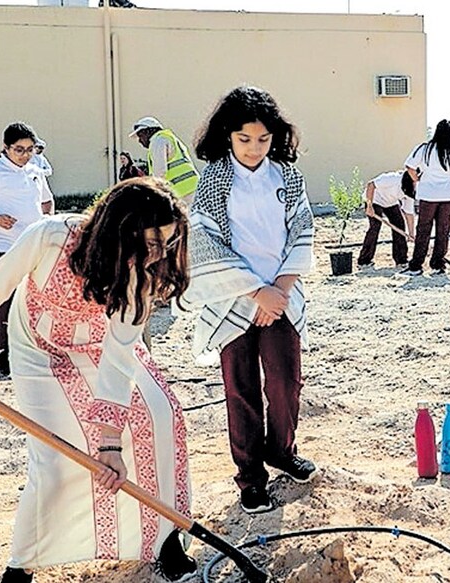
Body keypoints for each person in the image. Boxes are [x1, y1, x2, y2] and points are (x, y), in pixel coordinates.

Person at [0, 178, 197, 583]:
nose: (158, 254)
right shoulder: (51, 236)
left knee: (161, 415)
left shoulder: (139, 275)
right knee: (55, 457)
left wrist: (109, 442)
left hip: (101, 347)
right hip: (39, 349)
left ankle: (166, 539)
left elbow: (120, 356)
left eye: (166, 245)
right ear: (121, 229)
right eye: (152, 243)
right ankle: (21, 565)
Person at [182, 86, 317, 515]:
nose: (254, 148)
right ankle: (250, 477)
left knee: (285, 382)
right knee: (240, 390)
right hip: (233, 298)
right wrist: (255, 292)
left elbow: (302, 230)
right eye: (244, 139)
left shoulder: (287, 177)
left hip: (281, 295)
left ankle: (282, 450)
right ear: (227, 134)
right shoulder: (214, 179)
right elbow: (205, 241)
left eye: (263, 139)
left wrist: (278, 291)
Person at [0, 122, 55, 377]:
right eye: (19, 149)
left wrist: (47, 221)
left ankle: (28, 349)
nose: (25, 155)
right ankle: (2, 352)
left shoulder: (35, 170)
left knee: (31, 297)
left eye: (30, 149)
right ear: (6, 148)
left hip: (32, 244)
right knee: (6, 297)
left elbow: (46, 201)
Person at [402, 120, 450, 277]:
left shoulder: (424, 149)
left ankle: (416, 265)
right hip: (448, 195)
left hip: (428, 195)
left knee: (423, 229)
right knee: (443, 229)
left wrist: (417, 179)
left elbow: (410, 167)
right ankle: (438, 263)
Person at [130, 117, 199, 206]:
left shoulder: (157, 141)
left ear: (149, 131)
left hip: (182, 192)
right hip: (192, 187)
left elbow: (160, 172)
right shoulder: (168, 138)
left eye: (140, 135)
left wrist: (154, 193)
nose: (139, 140)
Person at [357, 170, 416, 269]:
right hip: (374, 199)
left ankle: (401, 259)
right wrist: (369, 206)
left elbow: (409, 213)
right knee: (375, 226)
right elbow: (371, 185)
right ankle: (364, 260)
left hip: (390, 202)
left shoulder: (410, 192)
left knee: (399, 225)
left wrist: (411, 233)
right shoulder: (392, 178)